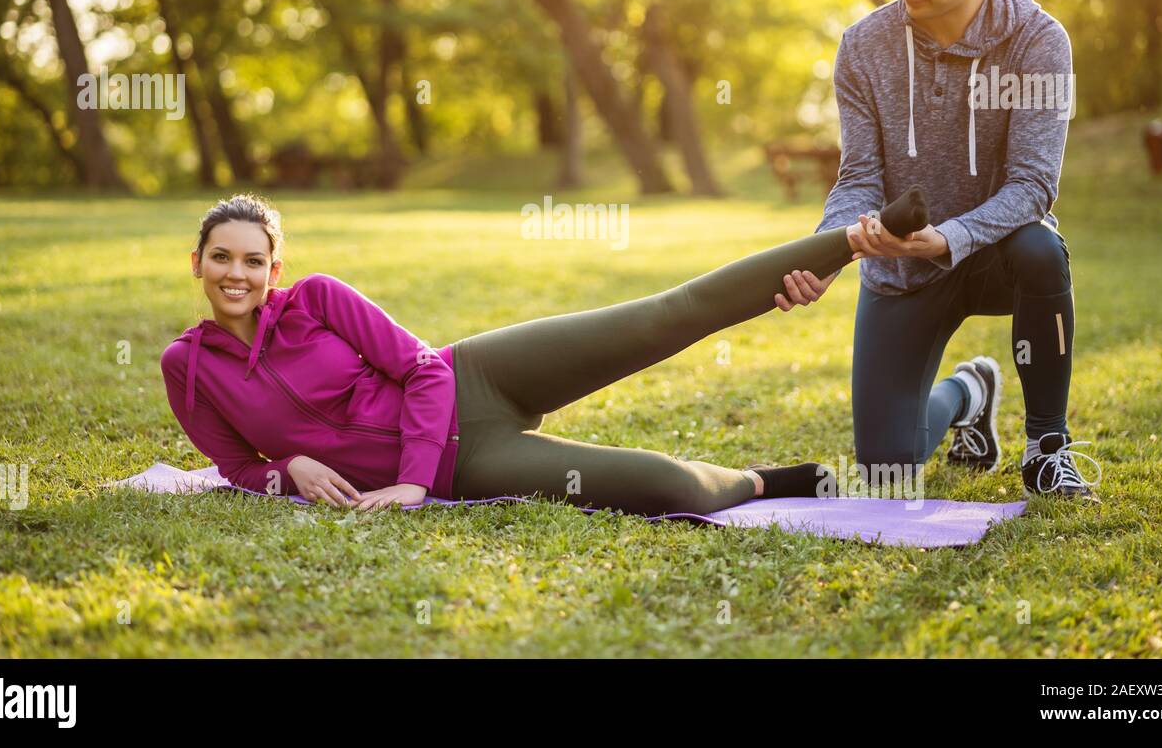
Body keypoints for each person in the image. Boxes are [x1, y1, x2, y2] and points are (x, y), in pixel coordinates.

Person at [160, 188, 929, 516]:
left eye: (252, 261)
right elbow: (235, 466)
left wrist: (411, 482)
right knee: (673, 492)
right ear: (198, 263)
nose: (237, 275)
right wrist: (283, 470)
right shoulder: (187, 369)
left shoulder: (319, 299)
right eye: (222, 258)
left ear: (273, 269)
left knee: (664, 316)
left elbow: (422, 368)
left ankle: (862, 235)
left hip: (473, 379)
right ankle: (768, 482)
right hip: (474, 463)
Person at [778, 0, 1100, 500]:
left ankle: (1047, 448)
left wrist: (947, 239)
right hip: (902, 270)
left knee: (1041, 249)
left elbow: (1034, 185)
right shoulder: (863, 48)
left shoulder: (1037, 41)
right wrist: (828, 251)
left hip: (995, 256)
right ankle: (969, 392)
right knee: (886, 470)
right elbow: (860, 176)